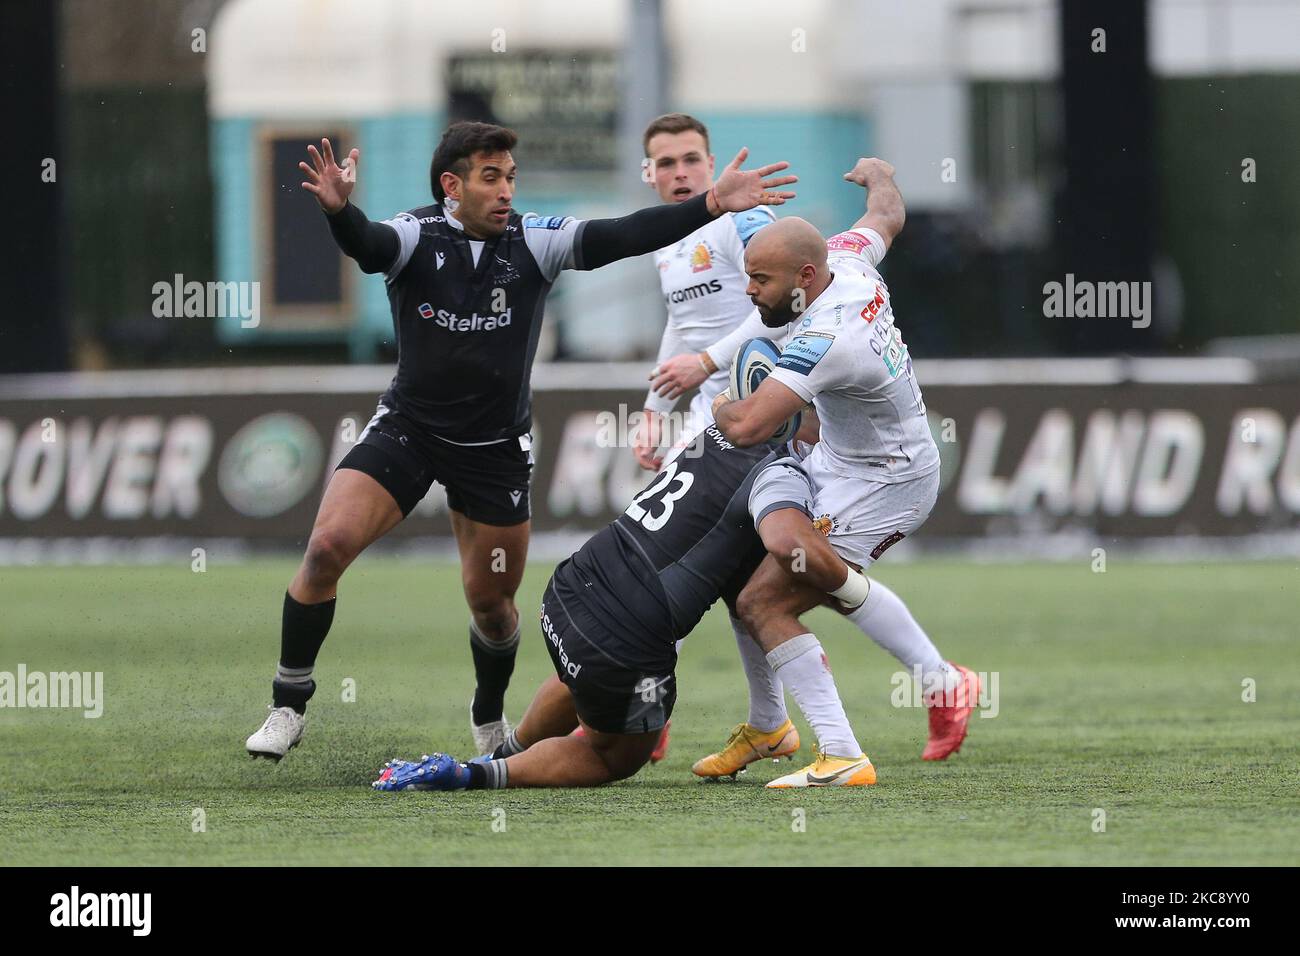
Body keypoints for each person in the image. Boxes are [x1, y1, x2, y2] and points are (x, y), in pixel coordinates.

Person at [244, 122, 797, 761]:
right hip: (410, 430)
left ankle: (488, 720)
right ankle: (288, 704)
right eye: (490, 176)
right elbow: (368, 247)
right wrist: (340, 212)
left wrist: (708, 204)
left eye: (510, 176)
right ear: (452, 186)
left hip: (496, 449)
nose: (506, 189)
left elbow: (618, 237)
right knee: (325, 549)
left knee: (492, 603)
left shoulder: (534, 240)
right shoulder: (414, 234)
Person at [372, 409, 882, 791]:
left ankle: (505, 751)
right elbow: (785, 542)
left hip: (573, 586)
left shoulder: (714, 429)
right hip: (625, 635)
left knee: (585, 680)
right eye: (827, 413)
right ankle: (469, 776)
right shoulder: (781, 470)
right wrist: (854, 591)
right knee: (612, 756)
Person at [666, 159, 980, 773]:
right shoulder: (848, 260)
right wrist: (882, 174)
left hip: (888, 480)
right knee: (746, 582)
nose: (750, 292)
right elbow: (886, 215)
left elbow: (751, 425)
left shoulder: (829, 339)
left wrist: (722, 400)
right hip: (836, 457)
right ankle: (769, 727)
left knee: (768, 603)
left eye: (759, 280)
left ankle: (845, 750)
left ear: (805, 277)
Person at [634, 113, 776, 471]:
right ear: (649, 174)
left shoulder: (740, 220)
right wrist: (655, 411)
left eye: (691, 160)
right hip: (713, 409)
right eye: (666, 163)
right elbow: (683, 323)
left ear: (710, 164)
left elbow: (786, 308)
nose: (681, 172)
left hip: (776, 404)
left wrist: (705, 362)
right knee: (660, 515)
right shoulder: (664, 238)